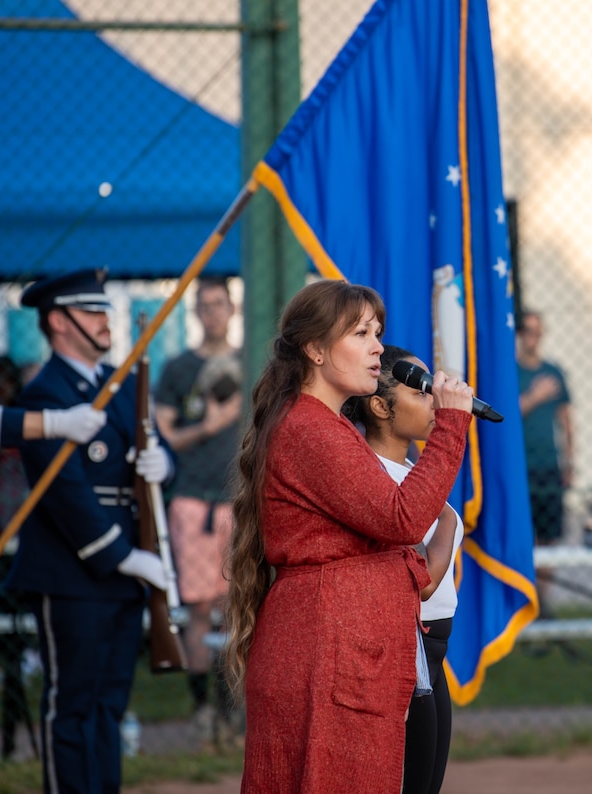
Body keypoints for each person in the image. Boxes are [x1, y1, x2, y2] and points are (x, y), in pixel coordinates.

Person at [224, 280, 473, 793]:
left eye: (377, 332)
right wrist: (449, 426)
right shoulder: (310, 430)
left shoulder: (325, 427)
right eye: (361, 333)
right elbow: (403, 519)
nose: (378, 346)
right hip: (325, 658)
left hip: (340, 654)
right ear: (315, 350)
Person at [5, 267, 174, 794]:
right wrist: (123, 556)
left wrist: (160, 466)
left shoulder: (115, 385)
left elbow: (154, 445)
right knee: (73, 706)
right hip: (72, 575)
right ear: (58, 321)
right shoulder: (46, 394)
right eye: (92, 311)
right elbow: (67, 493)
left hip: (123, 574)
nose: (106, 321)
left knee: (108, 705)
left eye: (105, 310)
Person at [342, 346, 462, 794]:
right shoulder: (374, 475)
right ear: (380, 405)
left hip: (435, 650)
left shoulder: (413, 470)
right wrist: (448, 519)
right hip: (406, 649)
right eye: (422, 392)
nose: (435, 402)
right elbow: (423, 581)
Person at [153, 277, 244, 751]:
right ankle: (201, 710)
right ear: (196, 313)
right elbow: (164, 436)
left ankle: (231, 714)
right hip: (191, 500)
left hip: (238, 501)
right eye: (204, 306)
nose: (212, 313)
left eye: (219, 305)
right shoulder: (178, 368)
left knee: (235, 609)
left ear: (231, 309)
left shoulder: (252, 365)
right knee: (199, 611)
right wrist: (209, 425)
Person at [516, 310, 573, 615]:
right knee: (526, 534)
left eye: (538, 331)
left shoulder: (554, 372)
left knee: (550, 536)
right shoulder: (510, 373)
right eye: (527, 330)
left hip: (548, 465)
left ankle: (543, 601)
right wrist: (535, 396)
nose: (532, 338)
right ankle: (524, 598)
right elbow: (506, 417)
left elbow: (566, 419)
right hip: (520, 466)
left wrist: (570, 460)